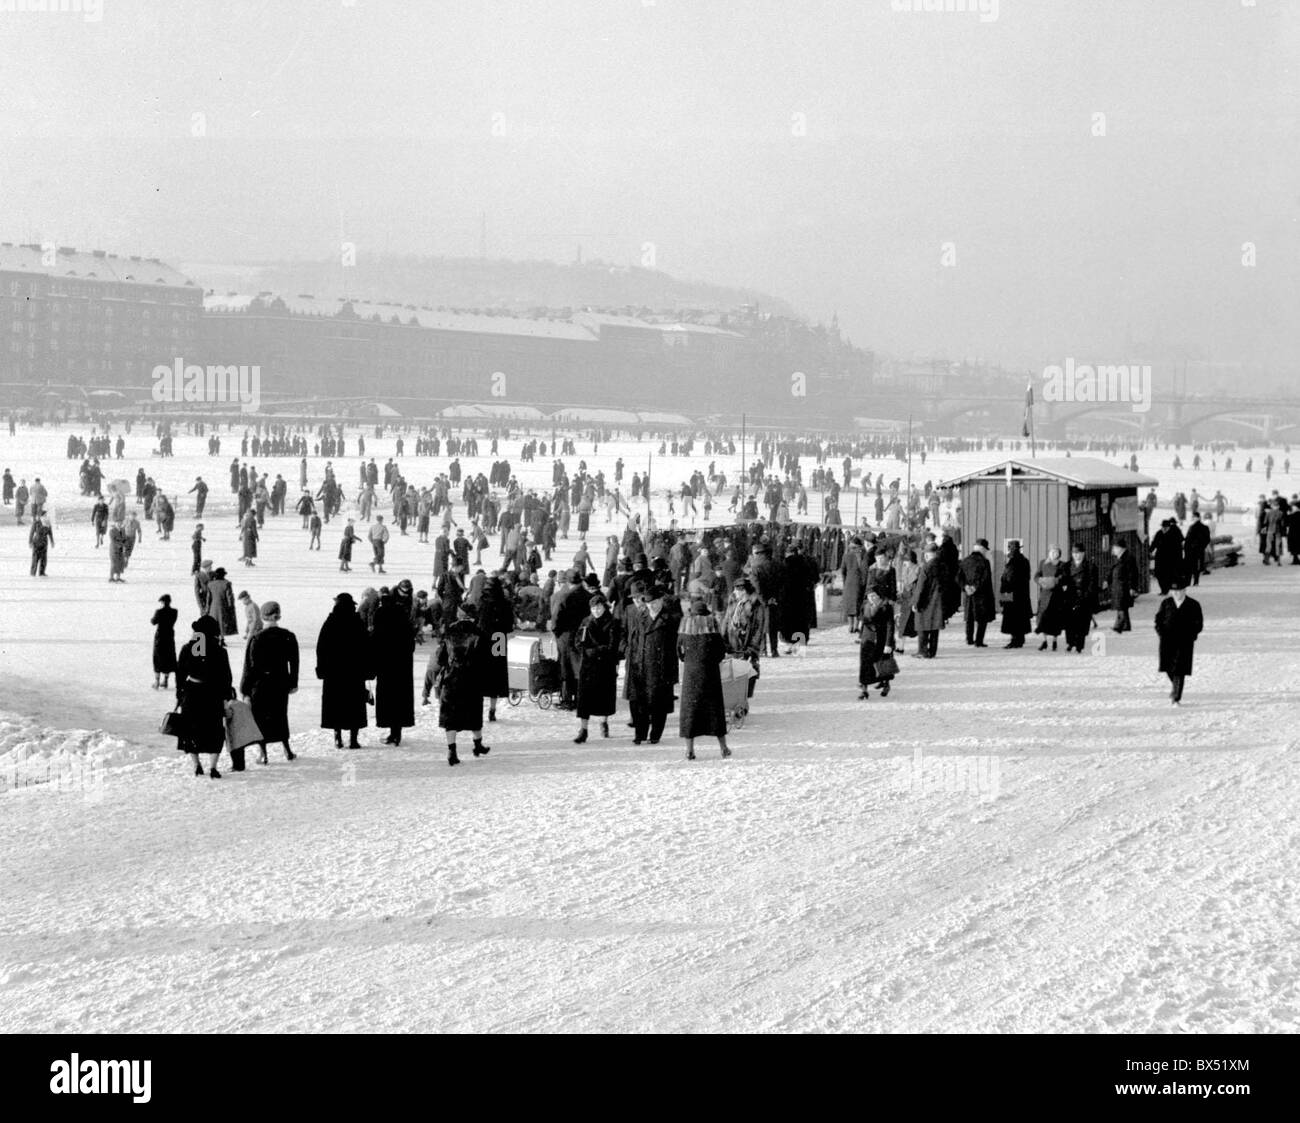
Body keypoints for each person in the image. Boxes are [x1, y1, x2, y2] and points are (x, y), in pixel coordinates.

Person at [239, 601, 299, 766]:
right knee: (280, 715)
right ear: (278, 615)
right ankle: (287, 750)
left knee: (261, 719)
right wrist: (293, 683)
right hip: (280, 682)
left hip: (260, 684)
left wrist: (245, 689)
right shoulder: (288, 636)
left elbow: (249, 666)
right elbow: (294, 662)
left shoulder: (257, 638)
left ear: (263, 616)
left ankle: (263, 754)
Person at [432, 602, 491, 766]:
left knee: (450, 716)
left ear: (460, 614)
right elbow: (487, 659)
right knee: (473, 712)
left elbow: (440, 658)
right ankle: (478, 745)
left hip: (451, 678)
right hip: (473, 679)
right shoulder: (480, 633)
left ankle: (452, 750)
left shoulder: (449, 631)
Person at [175, 616, 233, 779]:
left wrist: (180, 695)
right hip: (212, 694)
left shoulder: (188, 648)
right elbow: (226, 678)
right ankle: (213, 767)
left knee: (191, 730)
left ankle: (196, 765)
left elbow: (180, 675)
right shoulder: (220, 651)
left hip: (192, 693)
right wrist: (226, 699)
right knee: (214, 730)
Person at [624, 581, 680, 745]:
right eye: (649, 603)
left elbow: (675, 645)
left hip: (661, 668)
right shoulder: (640, 617)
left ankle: (655, 734)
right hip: (640, 665)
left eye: (655, 602)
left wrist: (671, 671)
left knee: (658, 703)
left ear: (661, 601)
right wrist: (631, 657)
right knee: (639, 702)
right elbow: (634, 640)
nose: (652, 606)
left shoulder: (670, 619)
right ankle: (639, 734)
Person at [677, 600, 730, 760]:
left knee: (690, 713)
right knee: (715, 712)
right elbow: (721, 652)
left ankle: (690, 750)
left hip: (691, 675)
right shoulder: (712, 626)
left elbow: (679, 653)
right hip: (710, 675)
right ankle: (723, 748)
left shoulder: (684, 628)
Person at [316, 591, 370, 749]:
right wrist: (368, 669)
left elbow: (321, 648)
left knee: (335, 705)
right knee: (355, 705)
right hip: (354, 673)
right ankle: (353, 739)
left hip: (334, 674)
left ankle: (337, 738)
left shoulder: (330, 622)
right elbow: (366, 647)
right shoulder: (357, 622)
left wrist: (322, 668)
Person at [371, 580, 416, 745]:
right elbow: (410, 642)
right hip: (403, 665)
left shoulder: (380, 614)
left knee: (387, 699)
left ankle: (392, 733)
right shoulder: (402, 614)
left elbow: (375, 640)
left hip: (386, 664)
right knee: (401, 699)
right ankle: (397, 733)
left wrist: (373, 662)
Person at [573, 591, 621, 742]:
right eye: (593, 608)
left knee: (604, 697)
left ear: (605, 608)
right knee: (584, 698)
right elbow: (578, 641)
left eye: (599, 608)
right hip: (588, 665)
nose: (596, 611)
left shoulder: (612, 623)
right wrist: (586, 651)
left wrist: (597, 651)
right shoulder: (586, 622)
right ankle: (583, 729)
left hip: (605, 665)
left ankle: (603, 722)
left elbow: (613, 645)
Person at [1154, 579, 1203, 706]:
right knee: (1168, 667)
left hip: (1184, 642)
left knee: (1179, 670)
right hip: (1167, 641)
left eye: (1179, 591)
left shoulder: (1193, 605)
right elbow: (1158, 620)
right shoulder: (1166, 603)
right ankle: (1175, 687)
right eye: (1174, 591)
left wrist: (1192, 635)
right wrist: (1161, 633)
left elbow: (1198, 623)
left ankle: (1176, 697)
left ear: (1184, 590)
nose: (1176, 593)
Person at [476, 573, 513, 723]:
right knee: (496, 676)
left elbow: (478, 622)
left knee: (480, 675)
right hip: (499, 640)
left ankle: (479, 708)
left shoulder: (482, 602)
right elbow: (510, 625)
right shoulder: (504, 603)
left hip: (484, 641)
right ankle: (492, 710)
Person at [722, 579, 765, 700]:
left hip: (747, 645)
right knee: (731, 673)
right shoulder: (733, 602)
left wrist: (753, 648)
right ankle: (734, 700)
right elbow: (726, 621)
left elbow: (759, 629)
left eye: (738, 590)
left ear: (745, 591)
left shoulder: (756, 606)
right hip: (732, 643)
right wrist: (722, 639)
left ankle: (742, 701)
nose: (735, 592)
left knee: (745, 674)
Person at [857, 589, 896, 700]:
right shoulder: (865, 606)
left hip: (881, 640)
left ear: (879, 596)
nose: (871, 598)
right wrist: (860, 636)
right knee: (865, 665)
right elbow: (863, 621)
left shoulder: (886, 607)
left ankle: (886, 684)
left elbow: (890, 626)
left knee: (883, 662)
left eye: (874, 596)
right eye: (869, 596)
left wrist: (889, 644)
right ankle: (864, 689)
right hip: (867, 639)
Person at [958, 539, 995, 647]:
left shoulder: (965, 561)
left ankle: (969, 639)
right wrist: (975, 587)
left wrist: (965, 587)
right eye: (985, 550)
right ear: (982, 549)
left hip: (968, 594)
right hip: (982, 594)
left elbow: (958, 577)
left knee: (969, 617)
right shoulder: (985, 562)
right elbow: (985, 578)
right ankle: (979, 641)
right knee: (982, 619)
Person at [910, 544, 944, 659]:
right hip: (938, 601)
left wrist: (916, 603)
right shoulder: (942, 565)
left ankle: (922, 651)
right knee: (934, 626)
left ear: (926, 554)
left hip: (926, 601)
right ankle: (932, 651)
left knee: (922, 625)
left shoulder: (926, 567)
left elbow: (921, 587)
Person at [1033, 545, 1069, 651]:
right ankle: (1044, 641)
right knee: (1042, 617)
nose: (1054, 554)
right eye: (1052, 552)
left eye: (1056, 552)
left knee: (1055, 619)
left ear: (1059, 554)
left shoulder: (1062, 565)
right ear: (1049, 553)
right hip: (1045, 594)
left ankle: (1054, 641)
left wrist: (1055, 581)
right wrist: (1041, 581)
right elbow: (1036, 576)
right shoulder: (1043, 563)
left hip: (1056, 595)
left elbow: (1065, 577)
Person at [1063, 544, 1096, 653]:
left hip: (1084, 597)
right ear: (1072, 554)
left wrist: (1086, 595)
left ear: (1084, 553)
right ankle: (1070, 642)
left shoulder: (1090, 566)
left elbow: (1092, 583)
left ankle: (1079, 645)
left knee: (1082, 623)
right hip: (1070, 597)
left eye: (1079, 553)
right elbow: (1064, 580)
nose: (1077, 556)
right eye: (1075, 553)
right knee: (1069, 622)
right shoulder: (1067, 566)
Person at [999, 539, 1032, 648]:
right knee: (1020, 617)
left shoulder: (1013, 561)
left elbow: (1008, 579)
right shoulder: (1024, 560)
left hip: (1012, 593)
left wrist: (1004, 594)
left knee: (1013, 617)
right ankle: (1019, 639)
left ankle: (1015, 640)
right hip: (1021, 594)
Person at [1109, 541, 1138, 633]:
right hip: (1118, 586)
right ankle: (1126, 625)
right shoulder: (1119, 558)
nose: (1113, 550)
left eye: (1114, 548)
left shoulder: (1128, 558)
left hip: (1124, 586)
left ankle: (1118, 625)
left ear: (1120, 548)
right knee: (1121, 606)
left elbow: (1133, 574)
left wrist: (1132, 587)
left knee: (1121, 605)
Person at [151, 594, 178, 690]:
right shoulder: (174, 612)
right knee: (168, 657)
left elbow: (153, 622)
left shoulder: (159, 612)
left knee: (157, 658)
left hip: (160, 636)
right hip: (169, 636)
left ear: (162, 602)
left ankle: (157, 681)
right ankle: (165, 680)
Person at [1183, 512, 1211, 584]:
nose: (1192, 518)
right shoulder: (1205, 527)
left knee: (1189, 566)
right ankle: (1196, 581)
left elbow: (1188, 539)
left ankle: (1188, 581)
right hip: (1199, 550)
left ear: (1197, 517)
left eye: (1193, 517)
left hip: (1191, 550)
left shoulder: (1192, 527)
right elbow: (1207, 539)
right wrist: (1202, 547)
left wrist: (1188, 547)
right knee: (1196, 566)